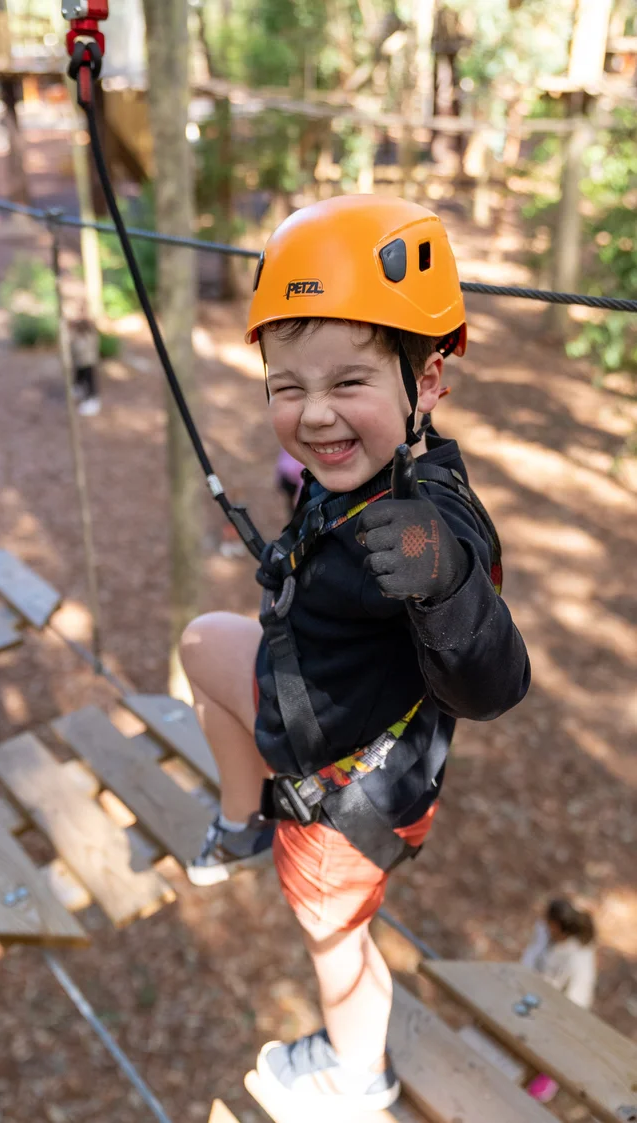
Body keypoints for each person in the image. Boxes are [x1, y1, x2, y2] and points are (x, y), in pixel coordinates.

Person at [179, 195, 530, 1113]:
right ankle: (242, 817)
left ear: (428, 382)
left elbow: (495, 680)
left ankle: (355, 1070)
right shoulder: (356, 473)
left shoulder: (427, 526)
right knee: (202, 642)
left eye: (348, 382)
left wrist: (447, 582)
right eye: (287, 387)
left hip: (351, 796)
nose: (315, 414)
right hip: (313, 693)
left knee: (336, 944)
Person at [522, 898, 597, 1103]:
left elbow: (577, 1001)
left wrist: (551, 1008)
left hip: (558, 1010)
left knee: (549, 1044)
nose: (546, 927)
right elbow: (531, 956)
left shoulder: (579, 958)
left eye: (550, 925)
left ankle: (547, 1075)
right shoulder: (544, 930)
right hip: (533, 993)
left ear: (560, 927)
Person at [70, 315, 101, 416]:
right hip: (82, 362)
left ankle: (92, 400)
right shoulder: (81, 336)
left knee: (89, 381)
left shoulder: (88, 337)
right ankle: (81, 391)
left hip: (87, 362)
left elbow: (80, 349)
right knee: (81, 377)